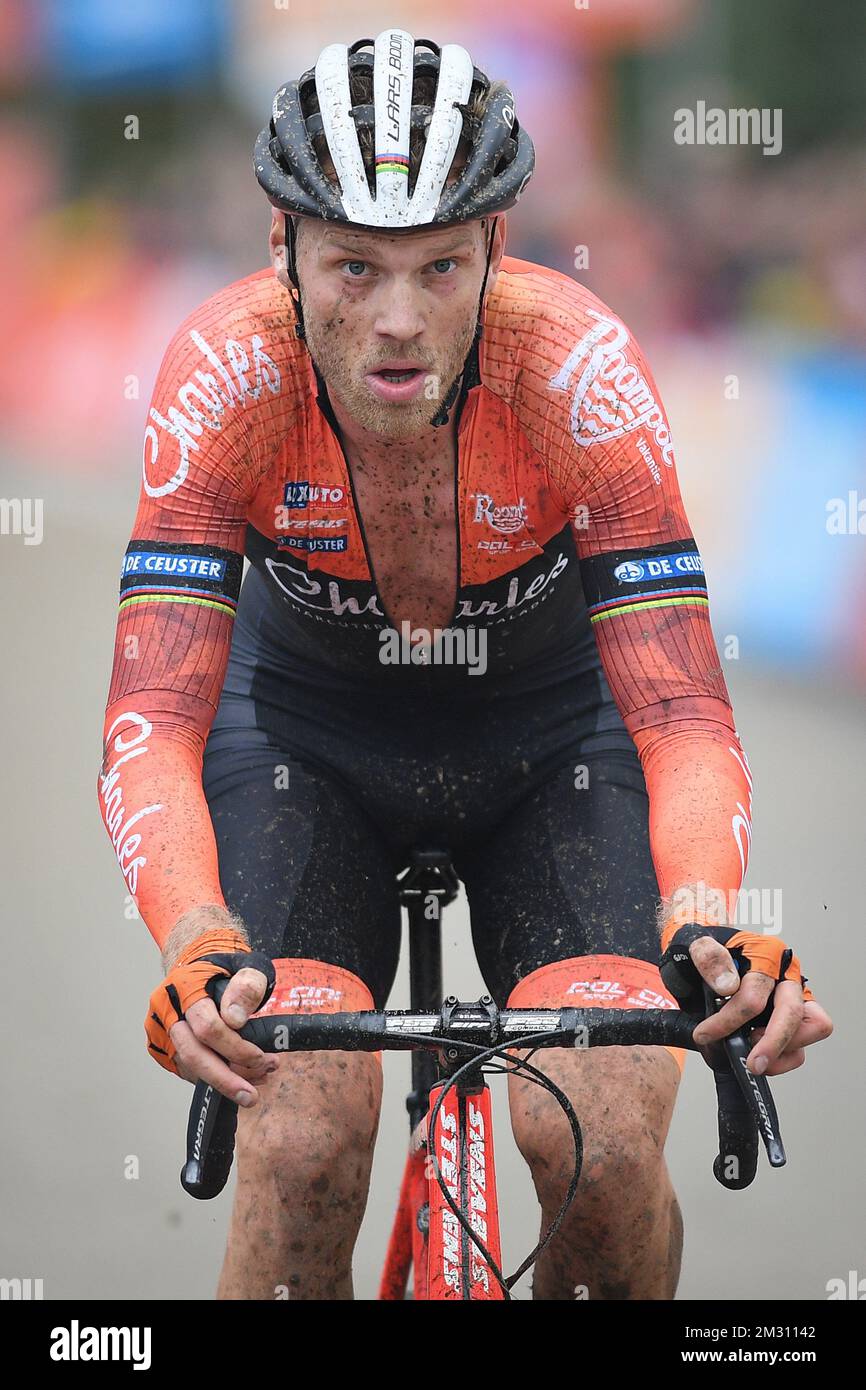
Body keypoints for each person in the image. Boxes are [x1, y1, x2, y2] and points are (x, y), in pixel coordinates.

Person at [98, 29, 831, 1300]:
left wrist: (708, 919)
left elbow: (680, 709)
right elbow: (156, 712)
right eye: (352, 268)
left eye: (440, 267)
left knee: (594, 1139)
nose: (396, 320)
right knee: (302, 1136)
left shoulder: (579, 371)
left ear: (498, 248)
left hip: (552, 748)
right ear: (281, 249)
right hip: (301, 752)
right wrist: (197, 938)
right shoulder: (222, 373)